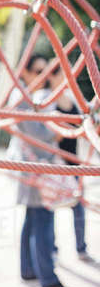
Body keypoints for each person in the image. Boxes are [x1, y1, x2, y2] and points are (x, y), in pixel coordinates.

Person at [8, 53, 75, 287]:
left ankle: (28, 269)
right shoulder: (22, 97)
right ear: (24, 72)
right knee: (43, 221)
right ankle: (48, 277)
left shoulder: (32, 96)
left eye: (46, 72)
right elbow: (36, 135)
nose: (43, 77)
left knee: (32, 220)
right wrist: (58, 131)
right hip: (35, 169)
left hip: (34, 168)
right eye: (38, 72)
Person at [48, 66, 93, 262]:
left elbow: (87, 119)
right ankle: (52, 248)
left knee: (78, 206)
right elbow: (45, 133)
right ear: (51, 77)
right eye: (62, 75)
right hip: (55, 164)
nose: (66, 79)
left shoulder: (72, 97)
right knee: (50, 208)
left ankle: (81, 248)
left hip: (75, 163)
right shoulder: (44, 100)